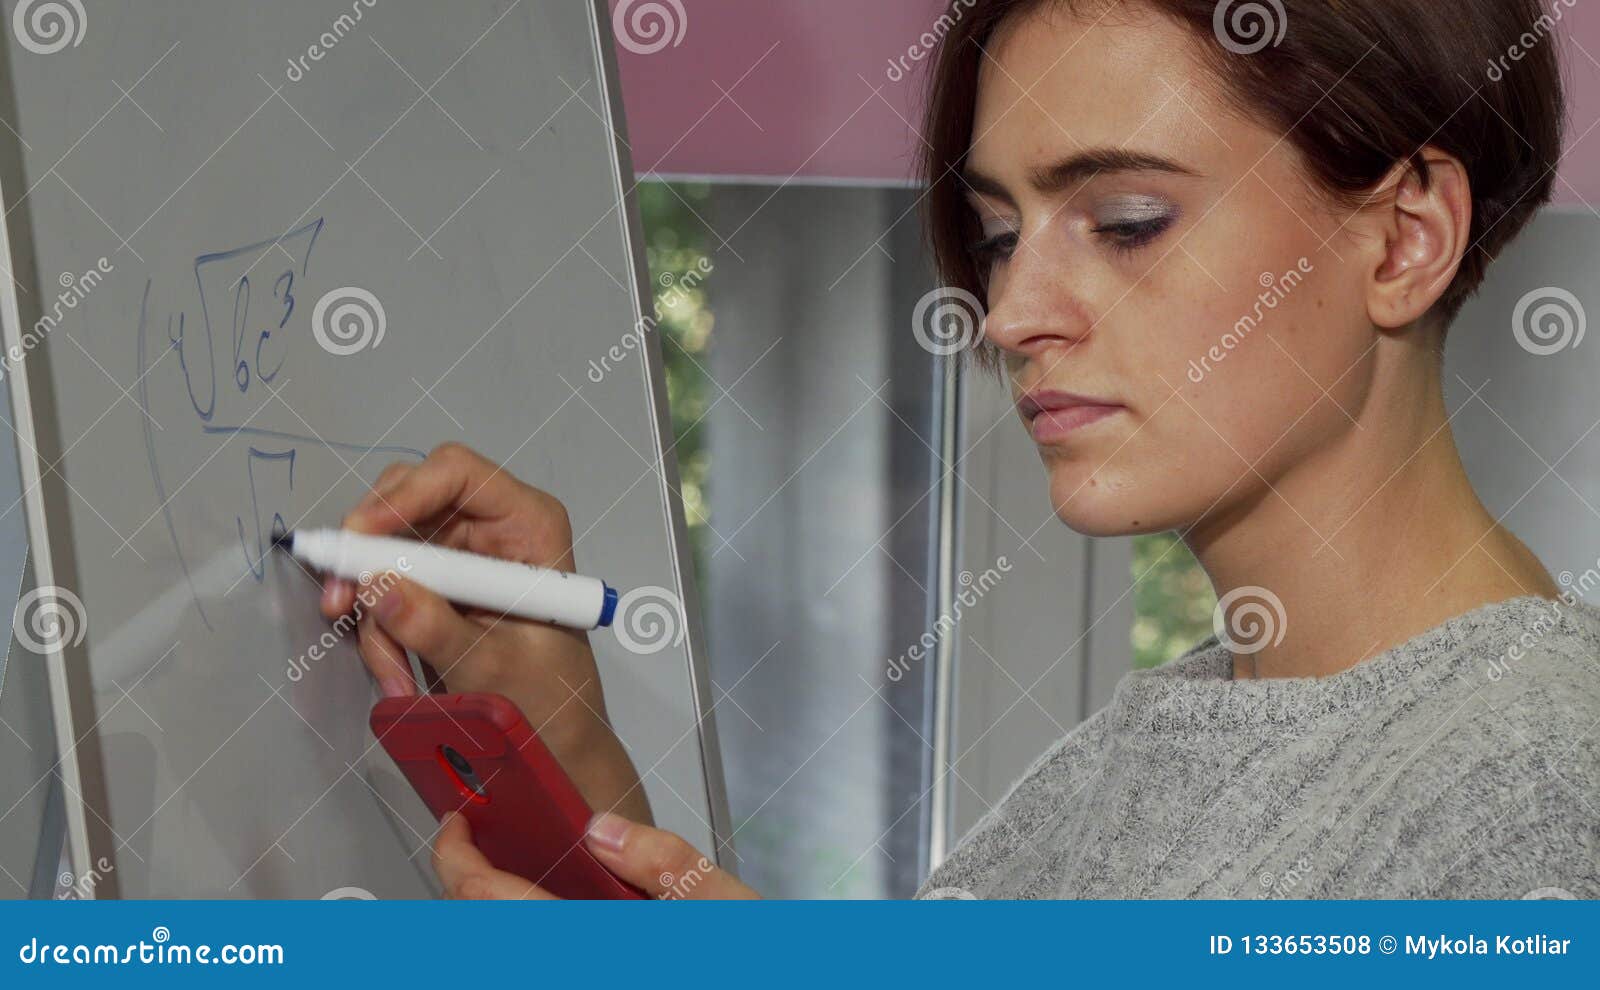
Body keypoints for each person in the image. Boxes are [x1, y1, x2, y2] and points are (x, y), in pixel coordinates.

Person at [322, 0, 1598, 898]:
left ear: (1403, 237)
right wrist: (572, 761)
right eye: (998, 231)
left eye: (1128, 220)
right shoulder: (1131, 764)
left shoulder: (1538, 787)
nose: (1009, 311)